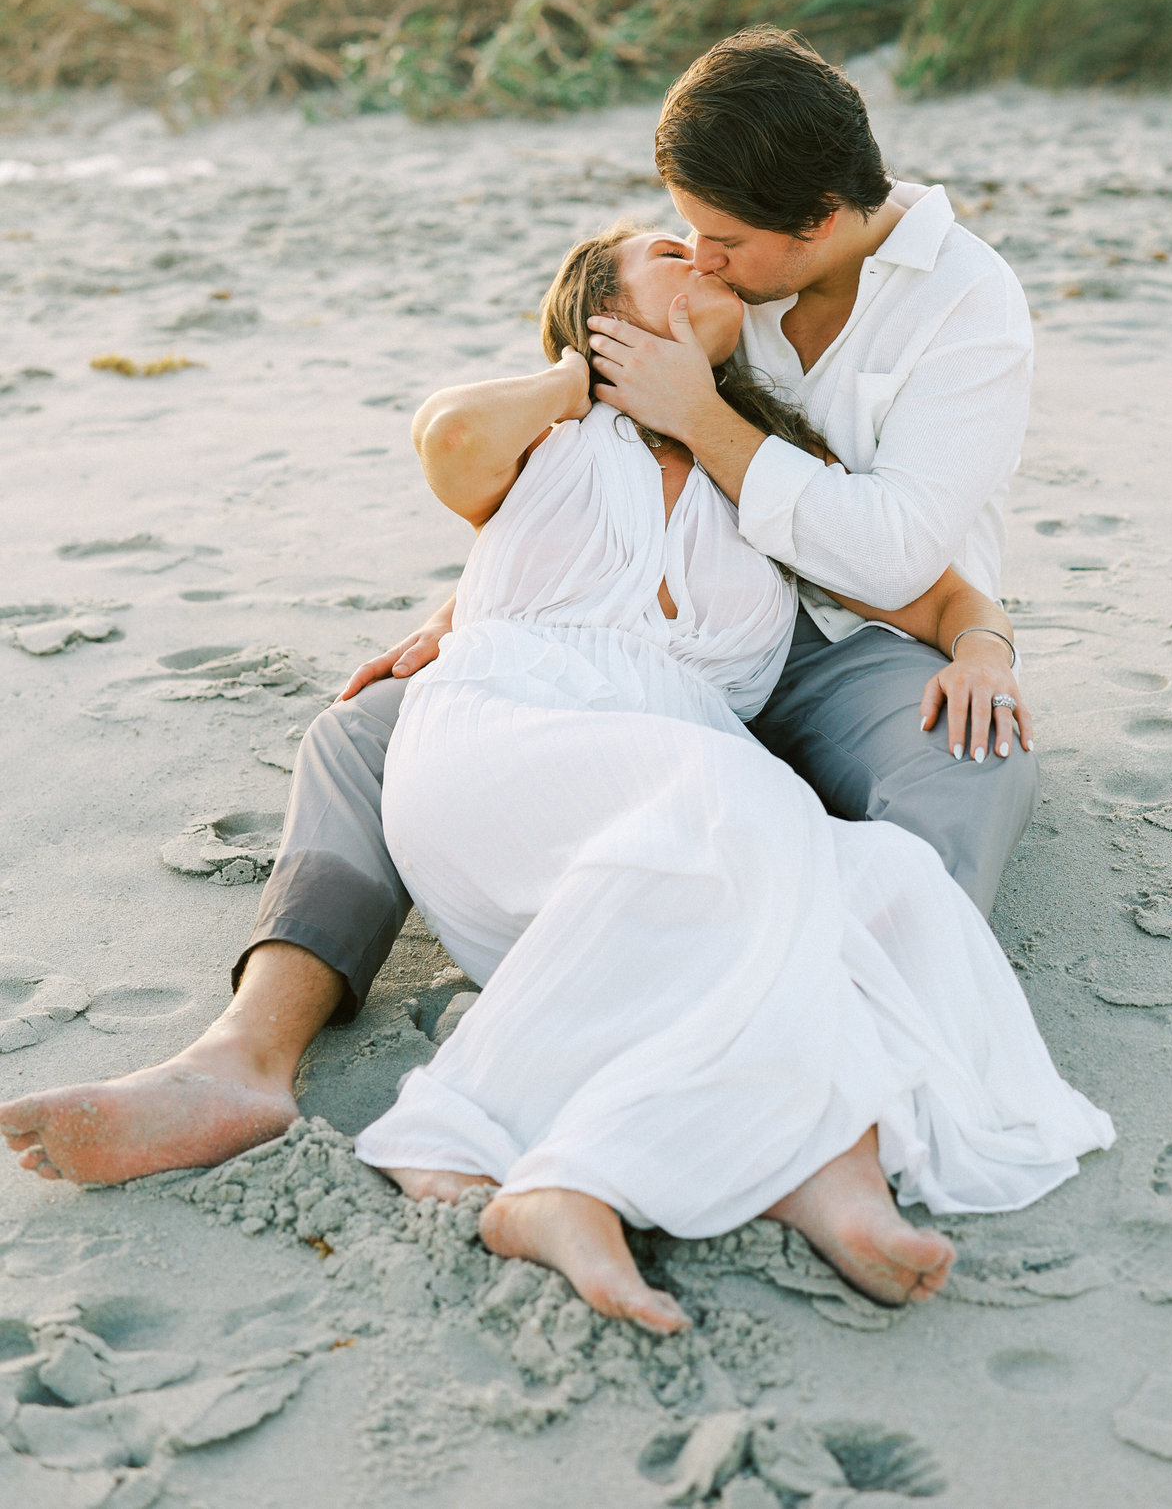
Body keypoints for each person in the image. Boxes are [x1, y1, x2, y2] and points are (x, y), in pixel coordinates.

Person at [2, 28, 1039, 1193]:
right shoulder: (725, 264)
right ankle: (242, 1054)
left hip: (859, 628)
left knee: (972, 754)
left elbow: (901, 549)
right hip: (652, 641)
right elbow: (575, 442)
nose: (703, 259)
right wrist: (490, 596)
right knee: (366, 728)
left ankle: (858, 1048)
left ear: (827, 217)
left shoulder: (966, 308)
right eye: (685, 229)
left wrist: (981, 634)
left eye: (727, 243)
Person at [352, 222, 1111, 1326]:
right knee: (749, 803)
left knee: (888, 890)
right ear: (600, 306)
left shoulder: (767, 484)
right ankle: (512, 1152)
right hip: (505, 745)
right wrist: (587, 375)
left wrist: (986, 648)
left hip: (670, 833)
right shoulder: (554, 447)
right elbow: (451, 433)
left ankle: (819, 1163)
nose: (706, 260)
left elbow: (940, 596)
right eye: (670, 252)